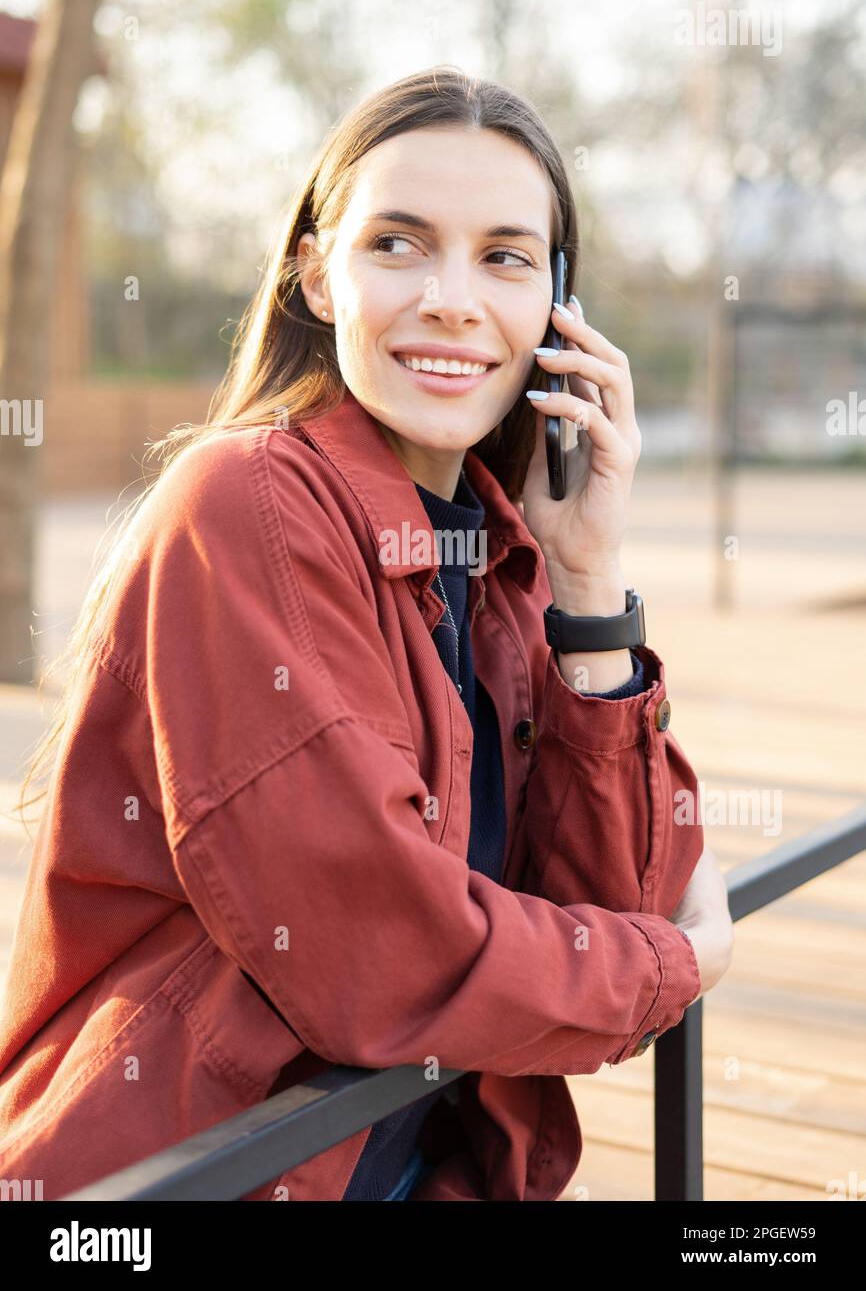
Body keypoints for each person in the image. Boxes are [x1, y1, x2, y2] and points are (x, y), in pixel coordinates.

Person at [0, 66, 733, 1203]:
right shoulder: (239, 505)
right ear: (316, 275)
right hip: (186, 1178)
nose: (451, 297)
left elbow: (618, 893)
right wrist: (669, 966)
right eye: (397, 243)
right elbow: (381, 955)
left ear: (557, 309)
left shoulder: (496, 552)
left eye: (503, 255)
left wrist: (589, 578)